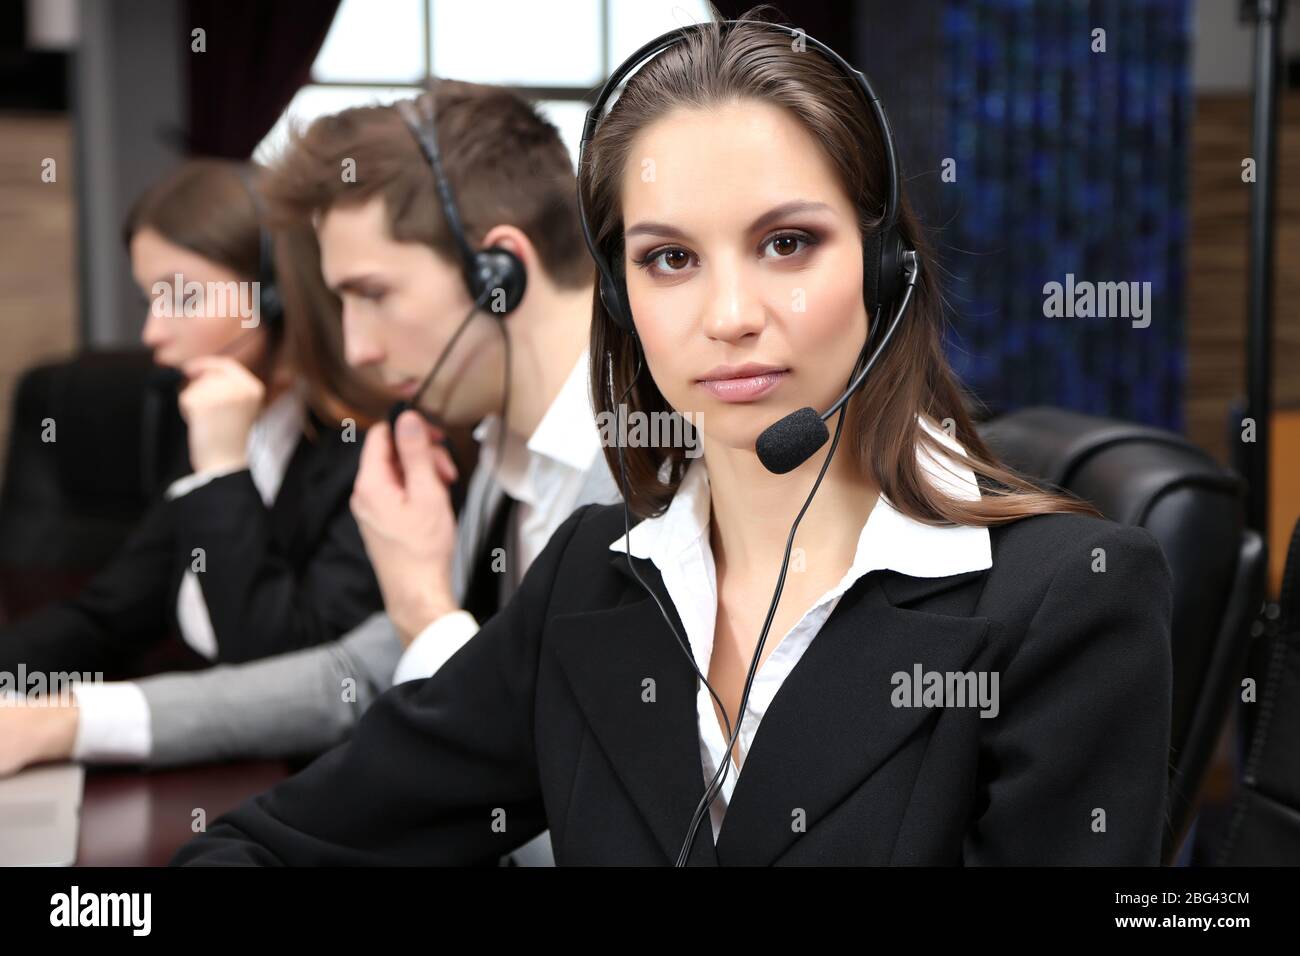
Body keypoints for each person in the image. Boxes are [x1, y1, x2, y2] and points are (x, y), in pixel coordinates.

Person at [174, 15, 1174, 866]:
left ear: (885, 267)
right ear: (618, 293)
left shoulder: (1068, 599)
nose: (729, 313)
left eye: (787, 242)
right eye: (668, 258)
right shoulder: (590, 579)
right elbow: (272, 845)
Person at [1, 86, 620, 869]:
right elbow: (359, 672)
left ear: (501, 271)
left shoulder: (647, 474)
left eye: (371, 294)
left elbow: (577, 815)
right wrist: (66, 720)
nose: (354, 346)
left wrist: (424, 605)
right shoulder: (492, 451)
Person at [0, 160, 382, 701]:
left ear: (271, 294)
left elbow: (272, 667)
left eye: (181, 296)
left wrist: (223, 469)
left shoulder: (366, 448)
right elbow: (110, 617)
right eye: (147, 300)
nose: (152, 333)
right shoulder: (223, 417)